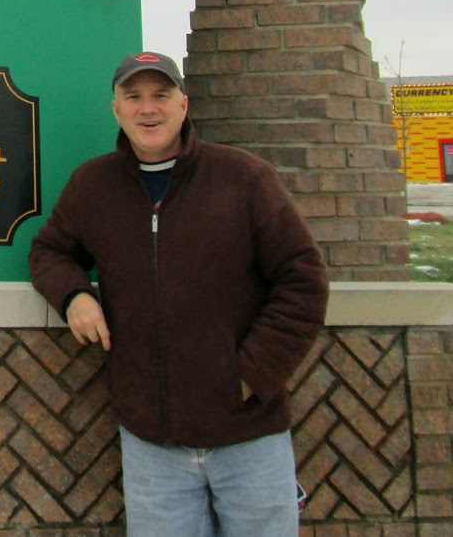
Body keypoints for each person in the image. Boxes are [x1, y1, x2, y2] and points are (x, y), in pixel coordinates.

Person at [29, 51, 328, 536]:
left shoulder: (244, 179)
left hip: (247, 436)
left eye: (161, 96)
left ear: (183, 105)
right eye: (134, 97)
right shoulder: (93, 185)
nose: (148, 109)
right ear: (117, 109)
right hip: (152, 446)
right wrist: (74, 296)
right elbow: (49, 251)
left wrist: (249, 375)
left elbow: (303, 280)